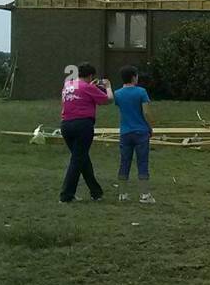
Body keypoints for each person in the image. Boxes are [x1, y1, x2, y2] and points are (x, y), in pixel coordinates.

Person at [59, 63, 112, 203]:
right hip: (82, 125)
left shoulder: (68, 84)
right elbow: (108, 100)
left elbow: (80, 93)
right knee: (77, 160)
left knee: (82, 159)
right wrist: (108, 87)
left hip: (65, 125)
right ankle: (66, 195)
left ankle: (96, 192)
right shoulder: (88, 87)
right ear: (90, 76)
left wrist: (92, 86)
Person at [112, 65, 155, 203]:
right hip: (141, 132)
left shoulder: (117, 94)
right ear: (133, 76)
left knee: (124, 162)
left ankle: (122, 194)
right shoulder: (141, 92)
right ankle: (144, 194)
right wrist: (150, 127)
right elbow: (146, 112)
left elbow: (122, 113)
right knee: (142, 162)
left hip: (125, 132)